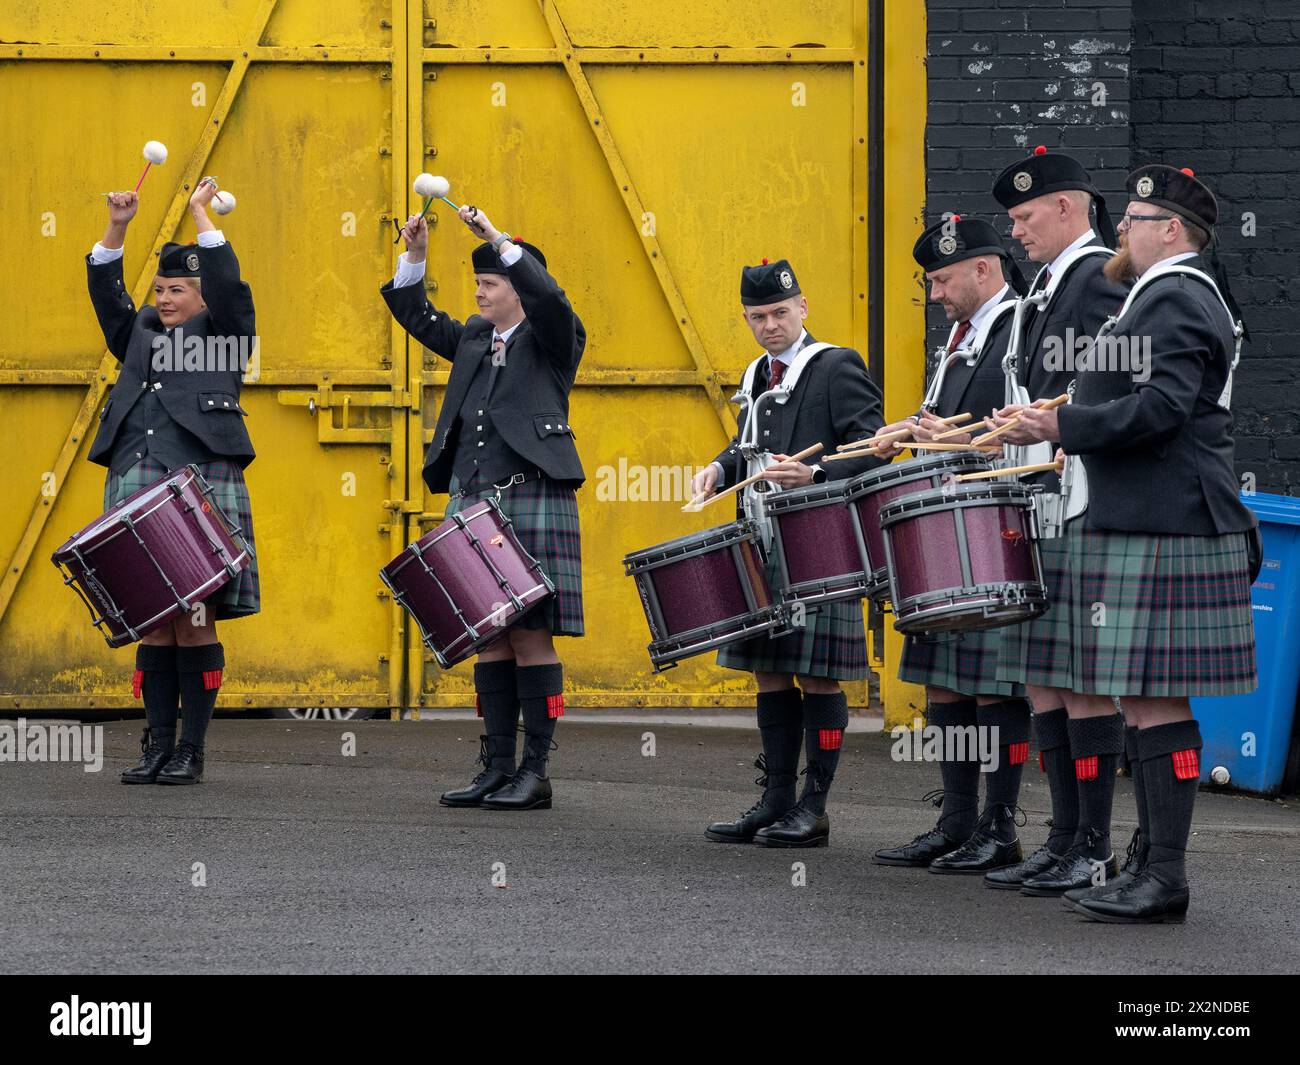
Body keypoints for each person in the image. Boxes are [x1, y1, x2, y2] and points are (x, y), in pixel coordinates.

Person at [1004, 164, 1257, 923]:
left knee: (1156, 700)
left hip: (1169, 518)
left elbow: (1163, 410)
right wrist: (1068, 410)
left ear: (1172, 230)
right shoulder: (1161, 294)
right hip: (1153, 515)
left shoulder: (1178, 296)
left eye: (1137, 219)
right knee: (1143, 700)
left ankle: (1166, 874)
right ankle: (1149, 861)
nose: (1124, 228)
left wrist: (1063, 426)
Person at [382, 205, 584, 811]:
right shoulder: (473, 336)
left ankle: (536, 771)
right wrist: (414, 253)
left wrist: (499, 239)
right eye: (478, 283)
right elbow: (414, 313)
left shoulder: (554, 337)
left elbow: (551, 300)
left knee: (530, 635)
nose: (479, 292)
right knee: (489, 637)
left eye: (491, 282)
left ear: (518, 288)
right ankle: (497, 766)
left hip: (532, 491)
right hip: (474, 496)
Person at [689, 259, 887, 848]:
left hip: (817, 541)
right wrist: (719, 467)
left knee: (819, 677)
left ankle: (814, 808)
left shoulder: (835, 365)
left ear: (803, 308)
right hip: (759, 538)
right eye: (758, 317)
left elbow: (876, 447)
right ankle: (775, 800)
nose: (770, 325)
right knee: (770, 674)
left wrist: (820, 471)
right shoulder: (755, 372)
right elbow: (745, 442)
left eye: (780, 312)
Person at [984, 146, 1132, 896]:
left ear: (1067, 207)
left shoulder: (1099, 276)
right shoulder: (1046, 286)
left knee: (1082, 680)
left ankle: (1095, 845)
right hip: (1040, 501)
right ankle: (1062, 837)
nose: (1015, 231)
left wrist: (1046, 420)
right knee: (1043, 677)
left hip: (1082, 498)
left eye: (1025, 216)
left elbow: (1106, 385)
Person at [872, 216, 1035, 874]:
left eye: (941, 280)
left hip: (996, 523)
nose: (935, 294)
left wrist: (954, 442)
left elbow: (1027, 430)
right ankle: (957, 821)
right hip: (948, 526)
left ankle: (1001, 827)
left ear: (983, 268)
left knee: (997, 687)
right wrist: (908, 429)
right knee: (946, 682)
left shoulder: (1023, 325)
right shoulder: (960, 339)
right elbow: (951, 425)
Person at [87, 179, 260, 785]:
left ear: (202, 295)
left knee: (193, 618)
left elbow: (234, 291)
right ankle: (157, 746)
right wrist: (118, 225)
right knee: (150, 618)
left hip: (200, 480)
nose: (164, 298)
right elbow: (105, 287)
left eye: (177, 289)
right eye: (159, 288)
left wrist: (199, 214)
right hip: (136, 474)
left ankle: (191, 749)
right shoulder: (136, 332)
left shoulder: (225, 336)